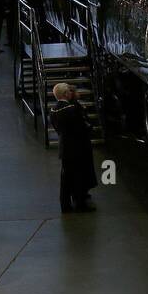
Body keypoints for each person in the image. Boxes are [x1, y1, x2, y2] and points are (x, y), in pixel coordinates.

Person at [51, 83, 97, 212]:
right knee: (78, 176)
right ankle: (80, 203)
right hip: (77, 147)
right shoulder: (72, 109)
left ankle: (65, 205)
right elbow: (82, 126)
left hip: (65, 147)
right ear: (66, 94)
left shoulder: (53, 110)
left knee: (65, 179)